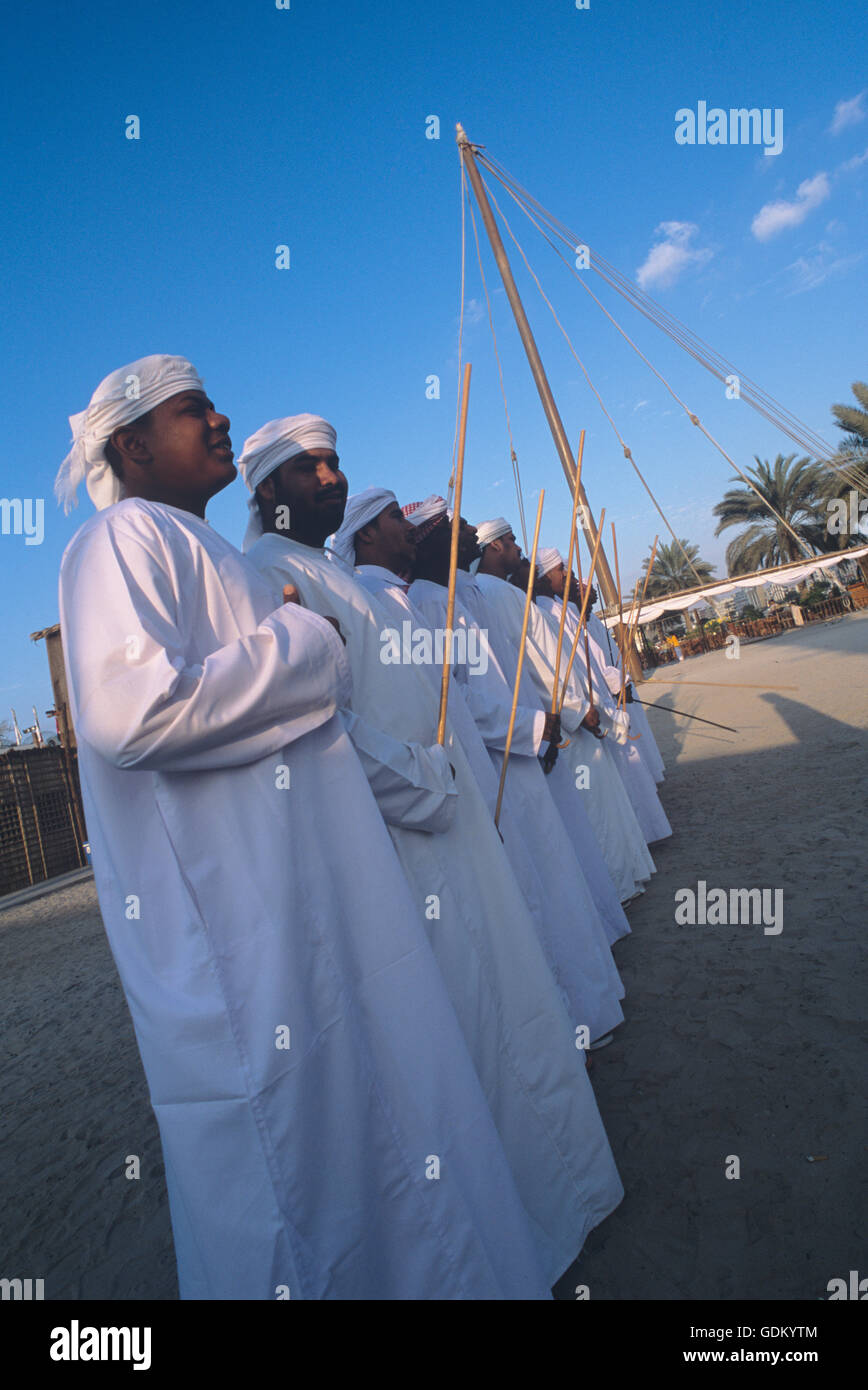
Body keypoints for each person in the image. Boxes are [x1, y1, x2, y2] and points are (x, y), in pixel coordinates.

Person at [55, 357, 572, 1300]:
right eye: (190, 411)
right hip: (242, 935)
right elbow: (131, 714)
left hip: (313, 899)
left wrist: (294, 639)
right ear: (129, 445)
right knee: (292, 1175)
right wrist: (304, 642)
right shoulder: (121, 540)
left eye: (217, 403)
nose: (218, 420)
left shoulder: (195, 545)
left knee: (377, 1135)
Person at [239, 418, 624, 1282]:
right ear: (267, 492)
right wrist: (425, 780)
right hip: (400, 847)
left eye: (337, 462)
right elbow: (318, 727)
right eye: (310, 469)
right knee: (473, 1028)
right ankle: (521, 1230)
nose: (331, 477)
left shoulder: (342, 578)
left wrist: (447, 773)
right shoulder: (268, 576)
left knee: (514, 1000)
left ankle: (563, 1198)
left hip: (454, 823)